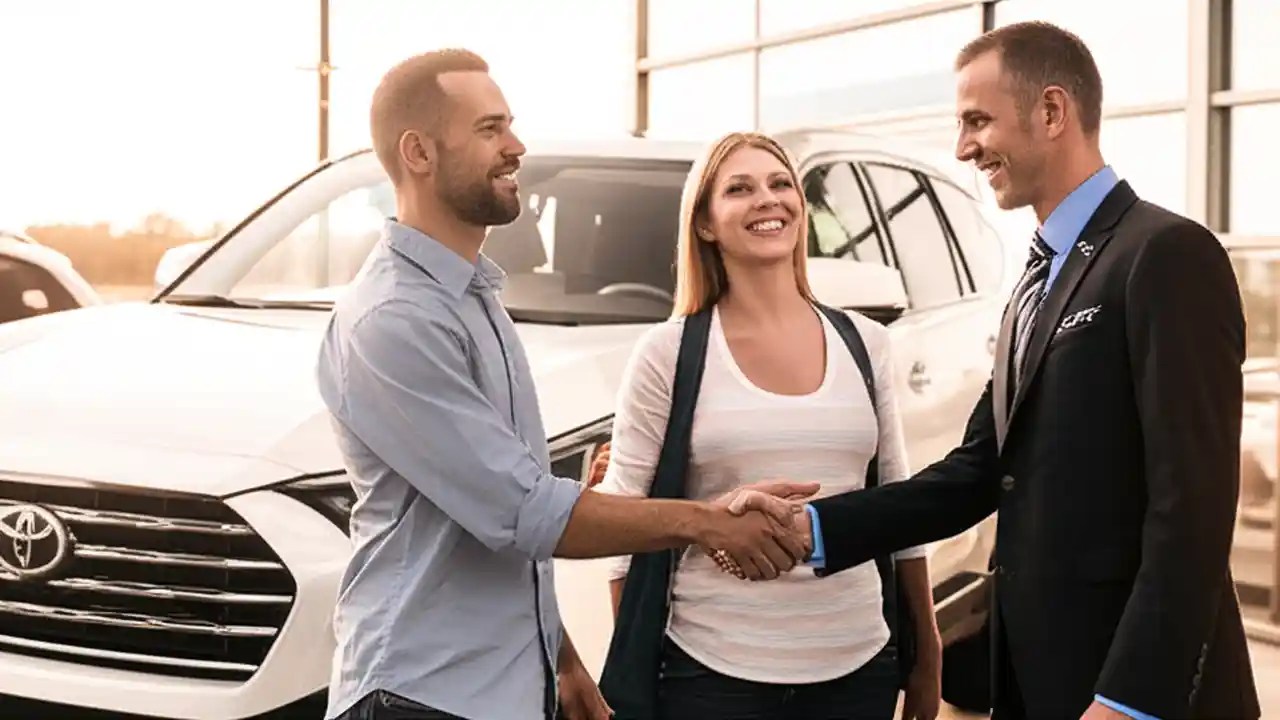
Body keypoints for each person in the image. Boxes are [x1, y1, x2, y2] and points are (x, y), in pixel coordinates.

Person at [760, 20, 1261, 720]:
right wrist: (808, 527)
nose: (964, 147)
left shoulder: (1166, 254)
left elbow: (1194, 511)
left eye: (977, 121)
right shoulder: (1032, 285)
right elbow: (976, 471)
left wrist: (1127, 700)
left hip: (1133, 696)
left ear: (1052, 111)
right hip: (1036, 684)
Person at [313, 50, 816, 720]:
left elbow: (502, 522)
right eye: (490, 129)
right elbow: (525, 511)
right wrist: (707, 522)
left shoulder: (473, 295)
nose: (517, 146)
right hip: (420, 695)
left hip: (501, 689)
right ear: (419, 153)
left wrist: (563, 660)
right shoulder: (395, 319)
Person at [592, 131, 943, 720]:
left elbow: (897, 507)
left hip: (857, 669)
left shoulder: (866, 344)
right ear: (705, 223)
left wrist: (926, 652)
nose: (767, 199)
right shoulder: (668, 352)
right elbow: (624, 530)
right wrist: (635, 682)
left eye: (781, 185)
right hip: (709, 674)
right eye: (740, 188)